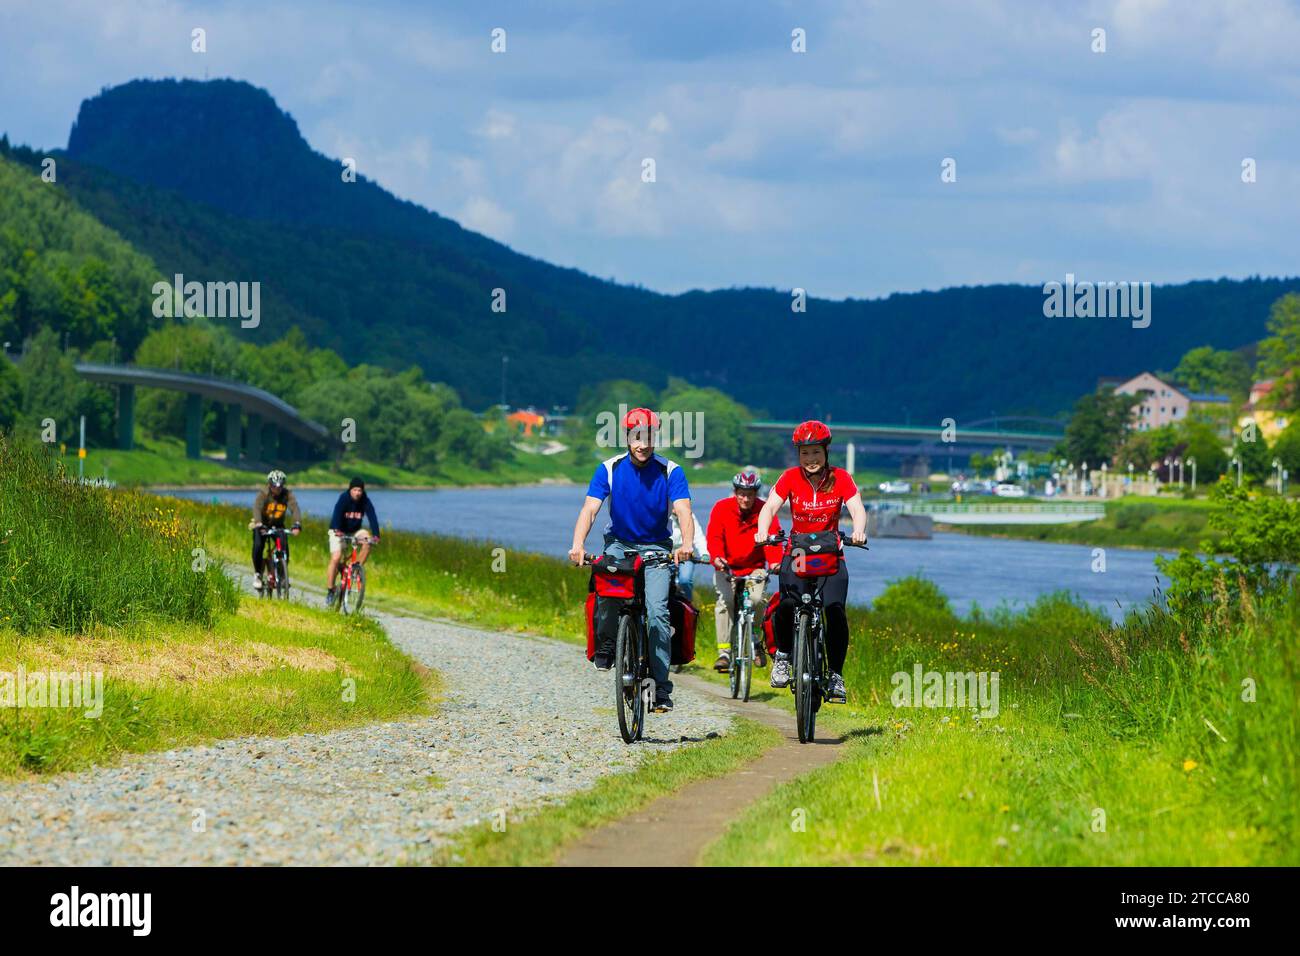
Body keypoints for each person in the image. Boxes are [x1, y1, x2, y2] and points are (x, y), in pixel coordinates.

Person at [568, 407, 695, 713]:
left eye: (649, 438)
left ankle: (661, 688)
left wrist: (687, 544)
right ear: (627, 437)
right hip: (619, 545)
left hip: (656, 550)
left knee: (658, 611)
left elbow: (683, 510)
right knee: (607, 591)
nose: (643, 445)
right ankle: (608, 644)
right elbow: (590, 509)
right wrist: (577, 544)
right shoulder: (609, 468)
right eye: (637, 438)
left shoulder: (671, 471)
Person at [755, 421, 868, 703]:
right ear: (799, 455)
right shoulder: (790, 477)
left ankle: (836, 676)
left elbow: (856, 507)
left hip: (831, 552)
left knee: (835, 610)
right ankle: (783, 655)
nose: (811, 459)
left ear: (826, 451)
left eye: (816, 452)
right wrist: (762, 531)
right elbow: (769, 506)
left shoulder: (841, 478)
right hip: (798, 552)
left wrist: (858, 530)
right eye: (805, 453)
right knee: (787, 604)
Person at [706, 468, 783, 672]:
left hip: (754, 568)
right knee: (725, 602)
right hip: (727, 566)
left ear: (756, 494)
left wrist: (775, 562)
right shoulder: (721, 508)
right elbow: (714, 536)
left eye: (750, 494)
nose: (746, 499)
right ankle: (724, 653)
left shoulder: (764, 509)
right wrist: (717, 557)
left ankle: (756, 639)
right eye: (741, 494)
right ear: (735, 492)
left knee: (757, 600)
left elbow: (772, 538)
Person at [326, 477, 381, 606]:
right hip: (337, 530)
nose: (357, 493)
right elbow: (336, 514)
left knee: (367, 541)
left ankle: (355, 569)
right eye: (355, 490)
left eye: (360, 490)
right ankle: (330, 590)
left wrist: (376, 535)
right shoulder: (344, 498)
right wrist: (337, 529)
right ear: (350, 489)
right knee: (336, 557)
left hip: (355, 531)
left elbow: (372, 516)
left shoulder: (365, 500)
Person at [251, 470, 301, 590]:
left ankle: (282, 576)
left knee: (284, 548)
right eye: (274, 486)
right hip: (262, 525)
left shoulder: (287, 494)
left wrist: (297, 524)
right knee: (258, 546)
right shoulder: (263, 494)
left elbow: (295, 508)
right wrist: (258, 522)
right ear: (269, 484)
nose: (277, 489)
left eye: (280, 486)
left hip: (278, 525)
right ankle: (258, 574)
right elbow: (256, 508)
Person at [670, 509, 710, 603]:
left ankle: (688, 605)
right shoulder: (663, 514)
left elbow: (698, 536)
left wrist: (705, 553)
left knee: (685, 580)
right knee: (663, 584)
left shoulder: (688, 515)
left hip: (685, 555)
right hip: (667, 556)